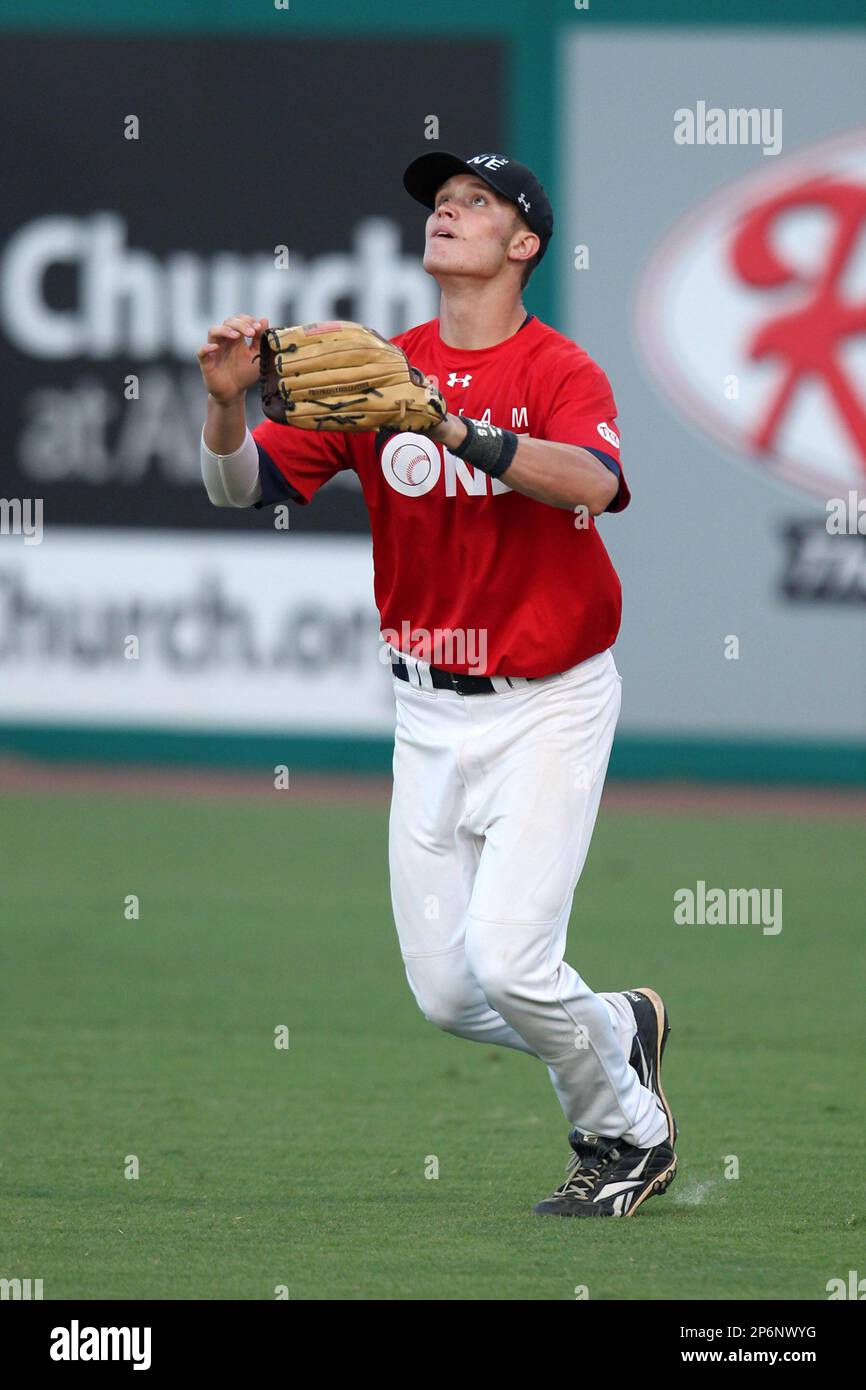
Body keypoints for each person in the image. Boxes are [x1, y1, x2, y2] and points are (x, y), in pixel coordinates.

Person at [196, 150, 677, 1217]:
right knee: (449, 993)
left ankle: (625, 1136)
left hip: (548, 698)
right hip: (424, 711)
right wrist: (226, 410)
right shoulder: (375, 368)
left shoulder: (559, 369)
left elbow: (592, 481)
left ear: (523, 244)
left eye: (475, 203)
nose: (445, 213)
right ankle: (616, 1027)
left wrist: (453, 429)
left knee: (509, 961)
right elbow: (244, 488)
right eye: (438, 201)